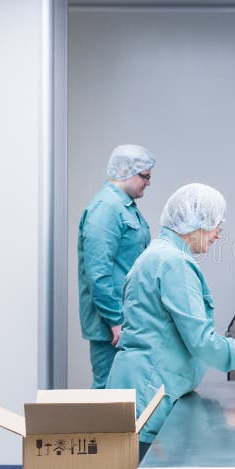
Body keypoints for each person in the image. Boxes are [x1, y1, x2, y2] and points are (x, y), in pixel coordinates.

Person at [106, 183, 235, 460]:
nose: (219, 234)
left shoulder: (158, 255)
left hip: (144, 389)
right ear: (194, 222)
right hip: (149, 395)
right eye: (215, 225)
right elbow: (201, 342)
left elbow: (174, 336)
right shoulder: (174, 263)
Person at [78, 144, 156, 389]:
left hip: (127, 321)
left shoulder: (125, 208)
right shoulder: (106, 209)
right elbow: (98, 274)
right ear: (126, 172)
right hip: (112, 327)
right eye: (145, 177)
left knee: (122, 395)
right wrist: (115, 320)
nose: (148, 183)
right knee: (108, 395)